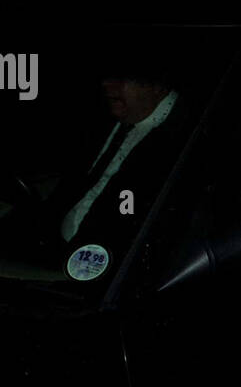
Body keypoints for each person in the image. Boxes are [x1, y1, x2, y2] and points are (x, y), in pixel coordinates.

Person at [0, 53, 188, 272]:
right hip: (53, 249)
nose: (108, 85)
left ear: (158, 86)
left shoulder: (186, 136)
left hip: (98, 269)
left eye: (123, 78)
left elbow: (138, 222)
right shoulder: (106, 117)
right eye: (108, 76)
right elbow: (72, 182)